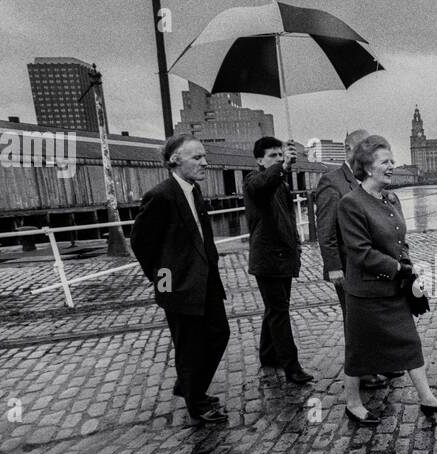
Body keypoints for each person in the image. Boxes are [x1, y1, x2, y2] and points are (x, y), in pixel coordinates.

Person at [337, 136, 437, 425]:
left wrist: (408, 269)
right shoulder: (350, 204)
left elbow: (399, 239)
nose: (392, 166)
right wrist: (399, 269)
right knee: (358, 350)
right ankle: (353, 403)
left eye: (392, 160)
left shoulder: (391, 198)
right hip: (366, 294)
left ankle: (427, 398)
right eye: (386, 162)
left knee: (409, 342)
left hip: (393, 289)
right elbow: (360, 253)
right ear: (368, 168)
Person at [129, 135, 230, 424]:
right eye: (197, 157)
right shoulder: (161, 196)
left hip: (206, 280)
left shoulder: (194, 191)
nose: (205, 163)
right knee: (190, 344)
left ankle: (189, 386)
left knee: (219, 333)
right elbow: (142, 244)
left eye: (204, 156)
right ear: (175, 159)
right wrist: (164, 286)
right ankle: (196, 402)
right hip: (179, 286)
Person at [314, 128, 386, 390]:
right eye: (362, 149)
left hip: (370, 263)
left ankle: (378, 363)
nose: (367, 154)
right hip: (347, 266)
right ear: (348, 151)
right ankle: (364, 372)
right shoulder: (331, 182)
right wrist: (333, 267)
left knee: (374, 317)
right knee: (355, 321)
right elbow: (326, 229)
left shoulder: (367, 179)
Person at [245, 136, 313, 385]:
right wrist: (282, 167)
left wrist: (296, 244)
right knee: (279, 311)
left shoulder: (281, 185)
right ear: (260, 160)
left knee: (274, 308)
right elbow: (263, 185)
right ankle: (291, 366)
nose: (277, 159)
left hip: (283, 256)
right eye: (272, 156)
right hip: (268, 259)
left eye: (279, 154)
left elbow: (287, 218)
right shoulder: (254, 181)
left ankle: (268, 354)